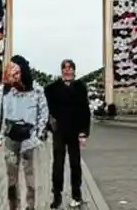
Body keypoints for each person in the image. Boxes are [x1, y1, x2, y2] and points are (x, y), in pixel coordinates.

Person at [0, 56, 50, 210]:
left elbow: (43, 114)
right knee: (12, 178)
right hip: (10, 136)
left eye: (17, 73)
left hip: (29, 138)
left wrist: (37, 135)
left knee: (29, 177)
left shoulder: (36, 90)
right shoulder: (4, 90)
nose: (14, 77)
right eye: (11, 73)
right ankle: (13, 206)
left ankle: (30, 206)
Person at [45, 58, 92, 209]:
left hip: (75, 131)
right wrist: (47, 127)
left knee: (75, 164)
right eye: (65, 68)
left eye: (70, 68)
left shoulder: (80, 87)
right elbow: (46, 111)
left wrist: (84, 132)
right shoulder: (52, 89)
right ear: (61, 71)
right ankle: (56, 196)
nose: (67, 71)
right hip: (59, 131)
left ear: (74, 71)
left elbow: (85, 111)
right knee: (57, 165)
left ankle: (76, 195)